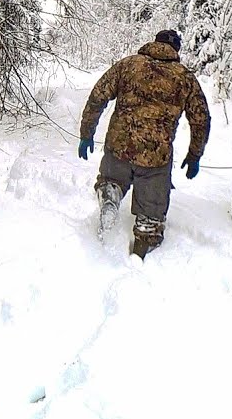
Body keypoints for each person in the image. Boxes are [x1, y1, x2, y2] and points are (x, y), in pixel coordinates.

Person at [78, 29, 210, 260]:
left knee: (111, 181)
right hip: (155, 158)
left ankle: (110, 195)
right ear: (176, 49)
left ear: (154, 43)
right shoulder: (184, 78)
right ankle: (142, 246)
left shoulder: (128, 65)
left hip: (118, 148)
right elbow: (201, 119)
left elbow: (98, 96)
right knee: (151, 214)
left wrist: (87, 133)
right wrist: (194, 155)